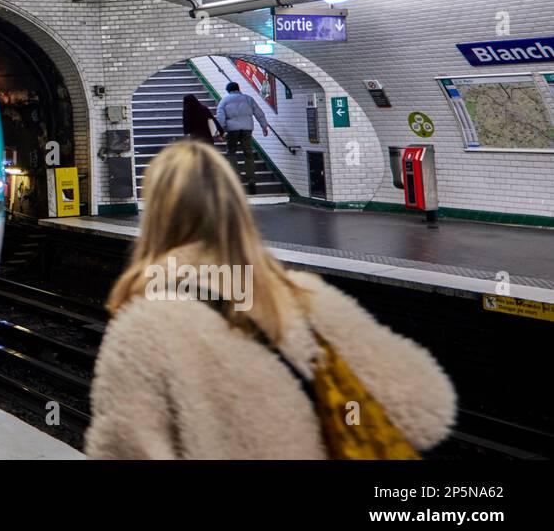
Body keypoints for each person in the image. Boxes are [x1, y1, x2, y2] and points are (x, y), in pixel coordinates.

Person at [85, 141, 455, 459]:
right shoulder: (305, 298)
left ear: (155, 217)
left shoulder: (145, 325)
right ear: (238, 209)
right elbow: (425, 409)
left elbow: (126, 448)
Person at [215, 81, 268, 193]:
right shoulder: (248, 99)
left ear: (228, 91)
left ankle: (235, 177)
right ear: (238, 88)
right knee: (248, 154)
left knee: (231, 153)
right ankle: (251, 179)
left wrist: (221, 131)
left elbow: (220, 117)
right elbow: (259, 112)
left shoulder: (224, 101)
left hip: (232, 130)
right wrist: (264, 126)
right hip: (247, 129)